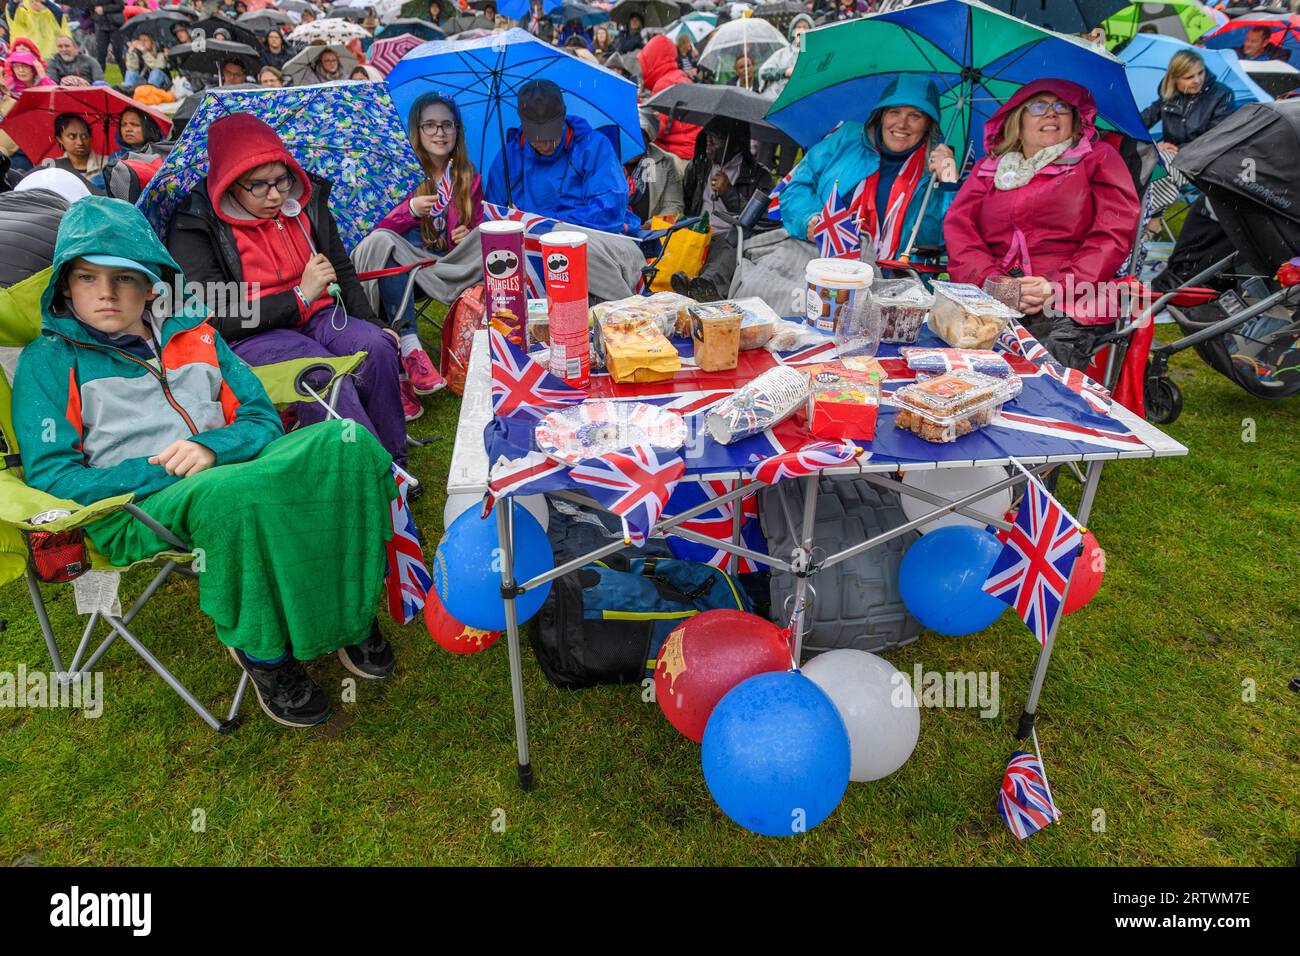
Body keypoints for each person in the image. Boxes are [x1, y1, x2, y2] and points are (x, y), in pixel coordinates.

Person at [13, 196, 399, 728]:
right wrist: (172, 466)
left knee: (345, 445)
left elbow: (262, 420)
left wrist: (211, 449)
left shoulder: (196, 335)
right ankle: (266, 654)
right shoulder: (49, 362)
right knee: (233, 496)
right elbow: (56, 477)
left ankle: (349, 613)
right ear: (64, 286)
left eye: (123, 278)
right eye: (86, 278)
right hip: (134, 505)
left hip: (235, 463)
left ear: (150, 284)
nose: (105, 294)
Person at [165, 112, 408, 469]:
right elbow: (215, 313)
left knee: (376, 347)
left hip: (324, 315)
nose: (276, 193)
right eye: (259, 185)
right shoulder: (194, 223)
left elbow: (340, 267)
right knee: (317, 374)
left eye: (282, 179)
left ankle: (396, 465)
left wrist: (372, 320)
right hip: (255, 334)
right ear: (229, 183)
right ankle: (364, 474)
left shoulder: (304, 203)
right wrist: (299, 298)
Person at [944, 79, 1140, 370]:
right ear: (1018, 122)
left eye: (1061, 106)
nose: (1051, 113)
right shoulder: (990, 169)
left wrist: (1056, 286)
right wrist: (999, 286)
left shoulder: (1096, 159)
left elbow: (1111, 233)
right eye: (1038, 106)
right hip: (992, 292)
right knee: (952, 358)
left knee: (1041, 367)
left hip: (1074, 294)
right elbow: (961, 231)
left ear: (1074, 121)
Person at [362, 93, 481, 416]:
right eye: (430, 125)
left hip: (447, 269)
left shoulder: (469, 177)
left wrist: (467, 233)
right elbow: (374, 232)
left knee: (486, 239)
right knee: (388, 245)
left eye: (447, 125)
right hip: (406, 273)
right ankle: (410, 352)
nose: (439, 133)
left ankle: (400, 375)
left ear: (457, 131)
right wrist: (409, 210)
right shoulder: (400, 175)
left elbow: (481, 226)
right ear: (417, 130)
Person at [780, 74, 957, 262]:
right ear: (881, 116)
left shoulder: (936, 166)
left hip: (893, 280)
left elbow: (937, 241)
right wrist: (809, 218)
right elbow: (796, 186)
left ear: (929, 124)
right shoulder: (846, 138)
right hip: (817, 259)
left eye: (915, 116)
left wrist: (948, 184)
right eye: (894, 111)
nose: (902, 124)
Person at [484, 78, 639, 234]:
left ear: (563, 118)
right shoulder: (508, 158)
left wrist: (538, 222)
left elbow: (609, 211)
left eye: (551, 136)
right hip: (526, 246)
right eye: (536, 139)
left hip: (586, 238)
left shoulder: (593, 147)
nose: (545, 145)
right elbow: (491, 218)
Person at [671, 116, 771, 301]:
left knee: (729, 245)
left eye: (715, 138)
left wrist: (728, 192)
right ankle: (689, 284)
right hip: (698, 233)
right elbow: (685, 203)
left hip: (731, 237)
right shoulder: (698, 166)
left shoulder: (759, 175)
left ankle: (705, 286)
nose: (708, 142)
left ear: (735, 143)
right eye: (707, 136)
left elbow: (760, 220)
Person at [1140, 49, 1235, 153]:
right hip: (1172, 159)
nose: (1197, 80)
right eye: (1189, 77)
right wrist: (1153, 145)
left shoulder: (1222, 94)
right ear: (1174, 79)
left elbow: (1216, 138)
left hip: (1206, 160)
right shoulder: (1167, 96)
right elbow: (1139, 122)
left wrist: (1176, 150)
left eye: (1200, 72)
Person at [638, 34, 702, 166]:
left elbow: (657, 130)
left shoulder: (664, 83)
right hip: (691, 152)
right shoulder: (678, 77)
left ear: (653, 61)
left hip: (678, 156)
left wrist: (636, 105)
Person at [627, 109, 684, 224]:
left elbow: (674, 206)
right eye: (630, 135)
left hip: (650, 235)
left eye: (640, 136)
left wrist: (651, 226)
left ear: (648, 140)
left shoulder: (665, 162)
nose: (633, 141)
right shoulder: (609, 158)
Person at [37, 113, 109, 191]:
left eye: (84, 136)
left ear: (90, 137)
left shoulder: (108, 164)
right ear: (59, 139)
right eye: (72, 136)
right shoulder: (53, 168)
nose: (80, 142)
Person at [759, 12, 812, 99]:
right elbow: (764, 72)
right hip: (780, 99)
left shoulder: (815, 52)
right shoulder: (782, 54)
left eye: (805, 27)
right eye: (798, 27)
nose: (802, 30)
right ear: (793, 31)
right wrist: (784, 72)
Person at [4, 0, 70, 60]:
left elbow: (59, 14)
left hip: (51, 59)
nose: (35, 4)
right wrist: (15, 1)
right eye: (32, 1)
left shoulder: (51, 16)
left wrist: (45, 2)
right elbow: (11, 11)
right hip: (29, 59)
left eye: (38, 1)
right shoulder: (24, 16)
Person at [89, 0, 126, 73]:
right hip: (101, 25)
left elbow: (121, 6)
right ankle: (99, 80)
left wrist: (104, 9)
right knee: (100, 54)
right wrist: (94, 15)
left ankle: (127, 79)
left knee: (118, 54)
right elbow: (91, 8)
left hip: (115, 25)